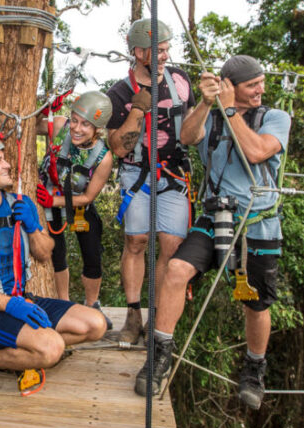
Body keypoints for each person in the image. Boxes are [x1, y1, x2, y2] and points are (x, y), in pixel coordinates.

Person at [135, 55, 291, 411]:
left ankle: (254, 369)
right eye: (253, 85)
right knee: (175, 271)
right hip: (215, 215)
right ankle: (159, 354)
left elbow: (256, 152)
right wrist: (207, 103)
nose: (261, 90)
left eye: (261, 83)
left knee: (256, 303)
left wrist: (231, 110)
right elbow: (187, 137)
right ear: (231, 86)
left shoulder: (275, 118)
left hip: (257, 222)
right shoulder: (214, 116)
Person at [0, 134, 108, 409]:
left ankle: (26, 352)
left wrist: (32, 227)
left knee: (96, 324)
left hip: (22, 299)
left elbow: (44, 253)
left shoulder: (21, 204)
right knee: (51, 348)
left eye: (5, 158)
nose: (7, 165)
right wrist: (10, 305)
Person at [105, 18, 209, 344]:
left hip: (173, 172)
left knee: (171, 246)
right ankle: (133, 314)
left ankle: (158, 315)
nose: (164, 56)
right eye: (156, 50)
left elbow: (191, 131)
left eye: (166, 50)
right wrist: (139, 108)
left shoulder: (180, 81)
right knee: (136, 241)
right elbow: (119, 147)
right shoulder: (120, 92)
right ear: (138, 52)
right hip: (137, 172)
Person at [34, 91, 116, 328]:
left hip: (77, 202)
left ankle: (92, 304)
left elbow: (89, 196)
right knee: (56, 252)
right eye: (76, 120)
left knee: (92, 252)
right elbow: (32, 125)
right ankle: (63, 303)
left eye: (86, 125)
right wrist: (45, 109)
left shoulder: (103, 157)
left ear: (97, 129)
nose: (77, 129)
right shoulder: (60, 126)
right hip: (49, 195)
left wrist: (55, 201)